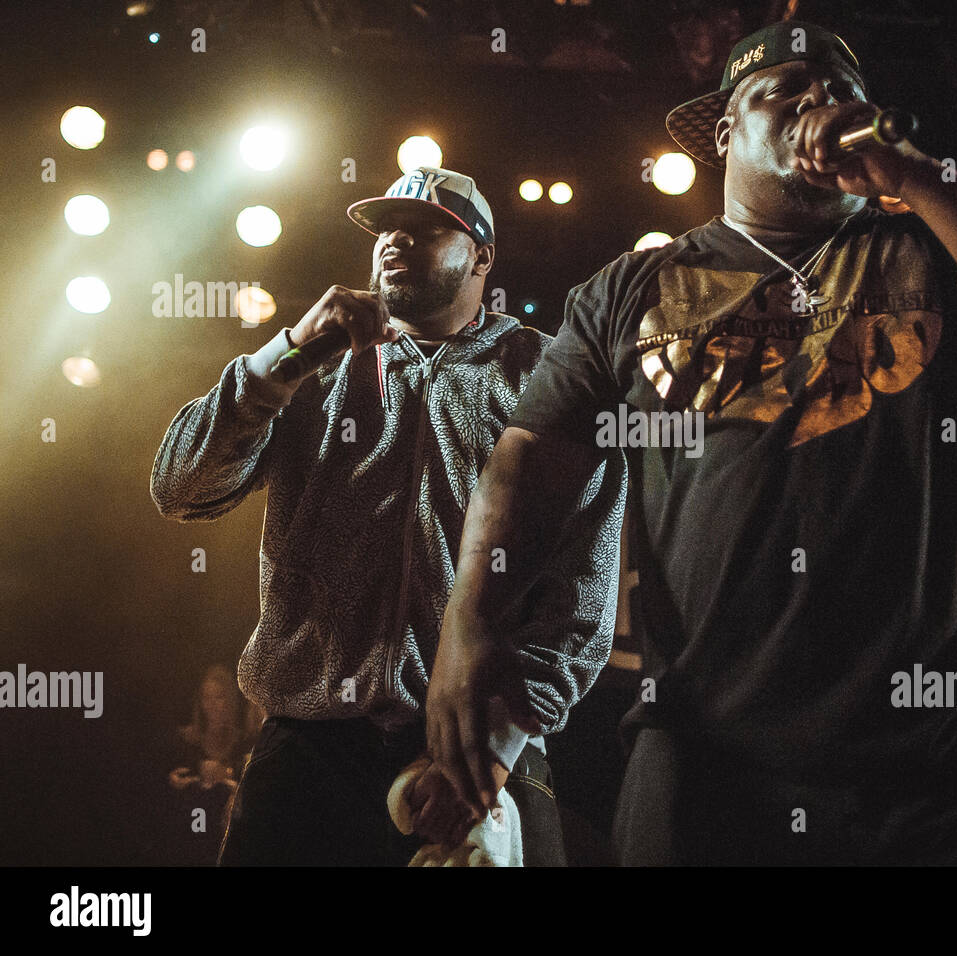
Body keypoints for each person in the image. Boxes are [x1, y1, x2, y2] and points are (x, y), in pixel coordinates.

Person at [426, 21, 957, 865]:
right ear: (727, 133)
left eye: (840, 94)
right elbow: (528, 465)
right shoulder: (632, 289)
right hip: (713, 754)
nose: (821, 106)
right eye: (788, 91)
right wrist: (468, 621)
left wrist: (912, 178)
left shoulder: (933, 249)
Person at [150, 166, 626, 866]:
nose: (396, 241)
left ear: (483, 257)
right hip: (308, 749)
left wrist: (491, 746)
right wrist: (284, 357)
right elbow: (179, 487)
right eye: (386, 229)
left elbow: (583, 590)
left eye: (428, 229)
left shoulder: (547, 375)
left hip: (483, 744)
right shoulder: (312, 366)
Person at [153, 665, 255, 865]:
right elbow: (162, 779)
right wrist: (189, 774)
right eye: (207, 698)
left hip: (229, 847)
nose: (213, 705)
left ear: (230, 701)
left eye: (219, 697)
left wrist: (225, 773)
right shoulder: (186, 742)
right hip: (189, 845)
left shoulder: (243, 744)